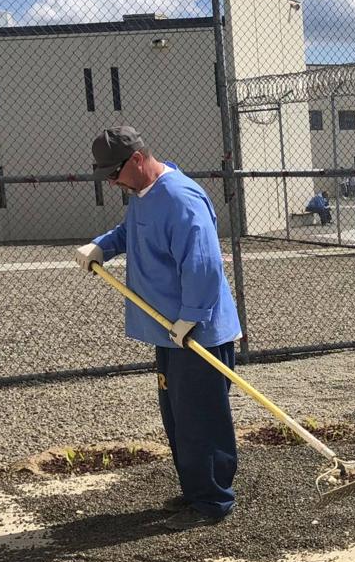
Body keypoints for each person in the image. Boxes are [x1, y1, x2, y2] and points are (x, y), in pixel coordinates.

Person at [73, 127, 241, 531]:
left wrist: (192, 315)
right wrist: (102, 246)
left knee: (201, 418)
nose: (111, 182)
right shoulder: (144, 197)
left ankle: (213, 500)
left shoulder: (180, 198)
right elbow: (130, 231)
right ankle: (196, 491)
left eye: (113, 173)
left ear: (136, 160)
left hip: (195, 332)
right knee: (178, 417)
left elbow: (203, 262)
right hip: (170, 332)